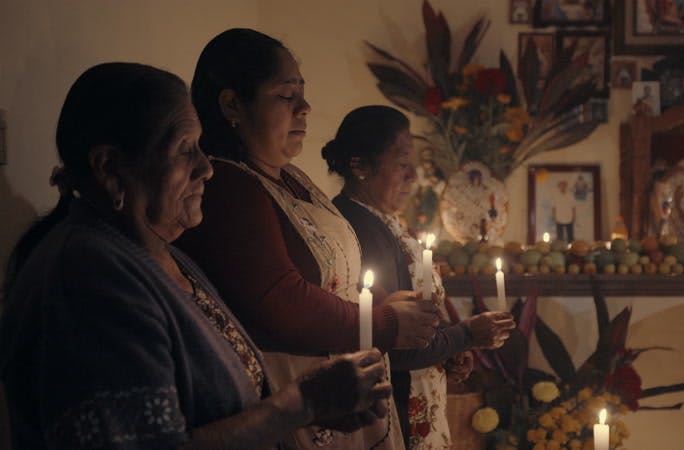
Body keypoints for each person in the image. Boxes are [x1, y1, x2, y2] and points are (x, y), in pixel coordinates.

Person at [0, 62, 393, 450]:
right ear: (109, 168)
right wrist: (301, 403)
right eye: (184, 149)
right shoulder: (87, 278)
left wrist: (305, 411)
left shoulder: (157, 254)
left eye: (201, 147)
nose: (206, 168)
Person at [176, 29, 439, 449]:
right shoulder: (227, 184)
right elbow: (281, 299)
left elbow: (336, 276)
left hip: (339, 388)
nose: (305, 107)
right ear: (231, 104)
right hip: (298, 400)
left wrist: (385, 301)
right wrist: (384, 323)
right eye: (286, 95)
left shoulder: (291, 177)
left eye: (303, 92)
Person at [323, 106, 516, 449]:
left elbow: (416, 321)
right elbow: (391, 346)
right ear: (360, 166)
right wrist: (466, 335)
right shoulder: (361, 231)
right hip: (390, 412)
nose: (413, 175)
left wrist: (448, 347)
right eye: (401, 163)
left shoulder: (382, 220)